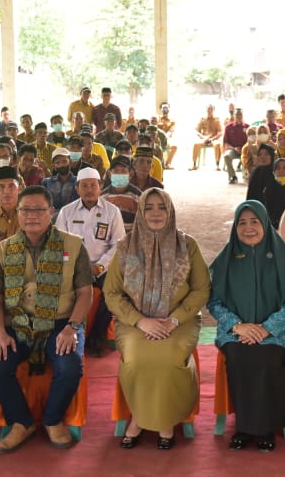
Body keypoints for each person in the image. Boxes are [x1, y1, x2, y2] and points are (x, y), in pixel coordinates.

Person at [0, 185, 92, 451]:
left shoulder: (73, 245)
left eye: (39, 210)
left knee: (68, 367)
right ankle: (22, 421)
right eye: (25, 210)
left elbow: (85, 293)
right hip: (17, 326)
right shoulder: (3, 250)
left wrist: (72, 328)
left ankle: (53, 420)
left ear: (51, 213)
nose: (32, 215)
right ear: (18, 213)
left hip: (61, 323)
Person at [103, 189, 210, 450]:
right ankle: (141, 418)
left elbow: (201, 289)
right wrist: (140, 321)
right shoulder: (126, 247)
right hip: (134, 322)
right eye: (148, 207)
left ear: (170, 210)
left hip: (179, 321)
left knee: (169, 357)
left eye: (161, 207)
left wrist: (173, 320)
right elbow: (112, 292)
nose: (155, 213)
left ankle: (161, 420)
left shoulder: (187, 246)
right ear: (140, 212)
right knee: (138, 357)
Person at [207, 201, 285, 451]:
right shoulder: (224, 261)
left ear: (265, 224)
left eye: (254, 222)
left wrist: (267, 328)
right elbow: (213, 301)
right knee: (240, 356)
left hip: (276, 332)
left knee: (268, 357)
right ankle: (246, 426)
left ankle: (264, 426)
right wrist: (237, 326)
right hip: (236, 331)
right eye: (242, 223)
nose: (248, 228)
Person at [55, 168, 126, 356]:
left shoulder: (112, 212)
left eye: (93, 185)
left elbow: (118, 245)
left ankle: (96, 336)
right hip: (73, 266)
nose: (89, 190)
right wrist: (76, 268)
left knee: (111, 292)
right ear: (77, 188)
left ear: (100, 187)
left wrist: (99, 267)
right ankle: (68, 331)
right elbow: (58, 244)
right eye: (84, 186)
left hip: (102, 267)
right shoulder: (66, 212)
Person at [190, 105, 222, 170]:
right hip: (204, 138)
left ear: (213, 110)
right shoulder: (203, 119)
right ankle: (194, 164)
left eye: (211, 109)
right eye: (208, 109)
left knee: (217, 145)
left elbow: (220, 132)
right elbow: (197, 131)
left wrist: (212, 139)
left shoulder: (217, 120)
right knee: (196, 144)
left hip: (213, 139)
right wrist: (203, 137)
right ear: (206, 110)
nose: (209, 111)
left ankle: (217, 165)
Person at [222, 109, 249, 184]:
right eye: (237, 114)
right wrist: (234, 149)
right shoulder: (228, 127)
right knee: (226, 156)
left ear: (242, 115)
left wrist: (243, 149)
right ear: (234, 116)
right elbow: (226, 143)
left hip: (245, 149)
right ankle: (233, 176)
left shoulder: (247, 127)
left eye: (240, 114)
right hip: (233, 149)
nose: (239, 116)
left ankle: (247, 175)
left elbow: (251, 141)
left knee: (251, 154)